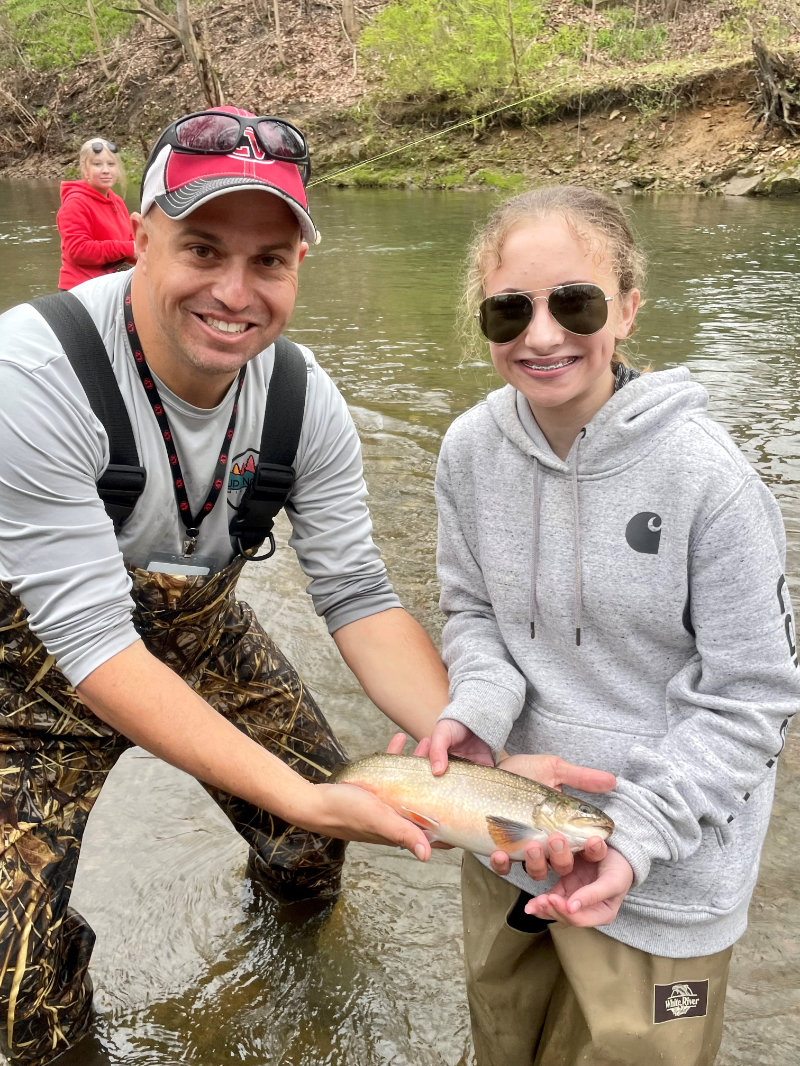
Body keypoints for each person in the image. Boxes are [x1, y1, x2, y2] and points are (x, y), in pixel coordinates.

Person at [0, 110, 605, 1066]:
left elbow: (358, 594)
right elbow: (92, 646)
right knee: (13, 980)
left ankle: (292, 985)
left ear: (298, 268)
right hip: (27, 677)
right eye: (202, 247)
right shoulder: (31, 375)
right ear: (142, 235)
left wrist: (491, 754)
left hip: (198, 630)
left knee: (310, 846)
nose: (234, 292)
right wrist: (308, 795)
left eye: (270, 261)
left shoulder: (300, 397)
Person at [427, 185, 800, 1066]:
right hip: (510, 840)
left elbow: (755, 699)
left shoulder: (712, 482)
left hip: (666, 865)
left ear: (627, 309)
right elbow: (471, 611)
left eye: (576, 302)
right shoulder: (468, 453)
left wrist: (634, 837)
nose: (543, 334)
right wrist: (474, 710)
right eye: (509, 309)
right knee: (505, 1046)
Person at [56, 136, 135, 289]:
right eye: (97, 164)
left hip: (111, 285)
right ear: (85, 169)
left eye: (111, 164)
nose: (106, 170)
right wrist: (130, 248)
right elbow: (78, 250)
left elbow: (130, 240)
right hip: (81, 291)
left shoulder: (117, 200)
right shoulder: (75, 204)